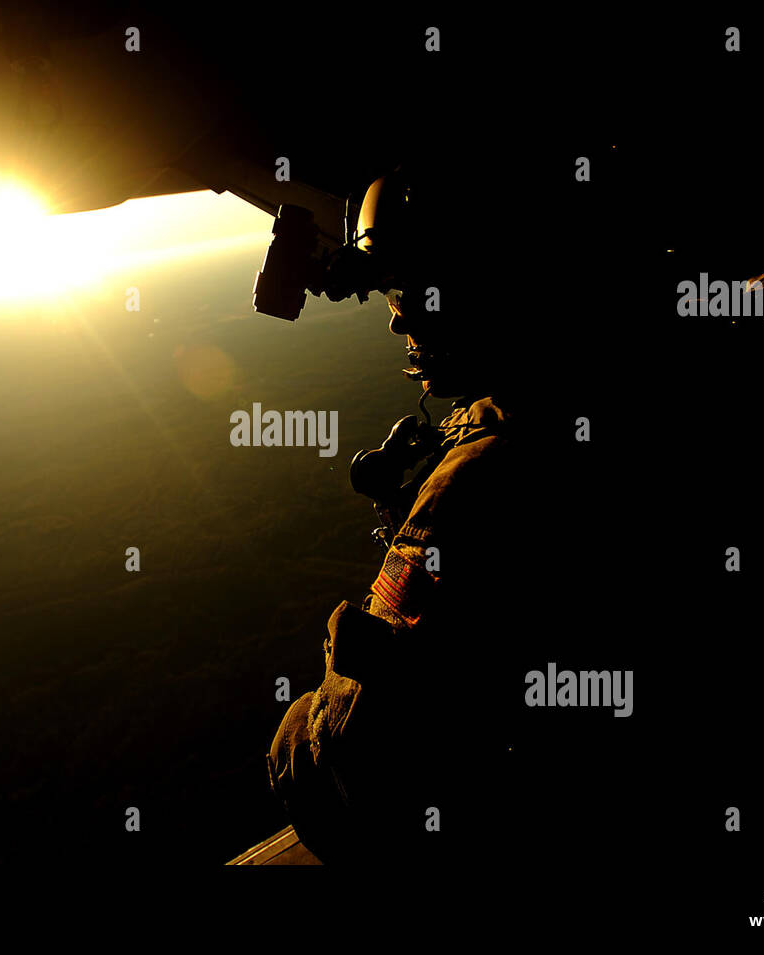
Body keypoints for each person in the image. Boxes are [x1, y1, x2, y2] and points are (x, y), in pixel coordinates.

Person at [265, 165, 510, 863]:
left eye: (415, 292)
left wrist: (294, 737)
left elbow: (344, 760)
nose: (398, 315)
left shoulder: (477, 482)